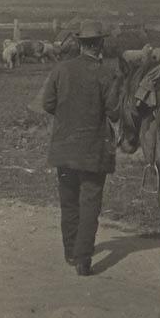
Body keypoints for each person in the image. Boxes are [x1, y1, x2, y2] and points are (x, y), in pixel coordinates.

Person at [35, 20, 120, 276]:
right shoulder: (107, 73)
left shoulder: (61, 69)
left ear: (80, 43)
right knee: (90, 203)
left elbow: (48, 103)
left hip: (64, 148)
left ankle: (71, 252)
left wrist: (67, 115)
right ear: (100, 44)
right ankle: (84, 260)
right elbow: (115, 112)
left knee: (69, 202)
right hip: (93, 150)